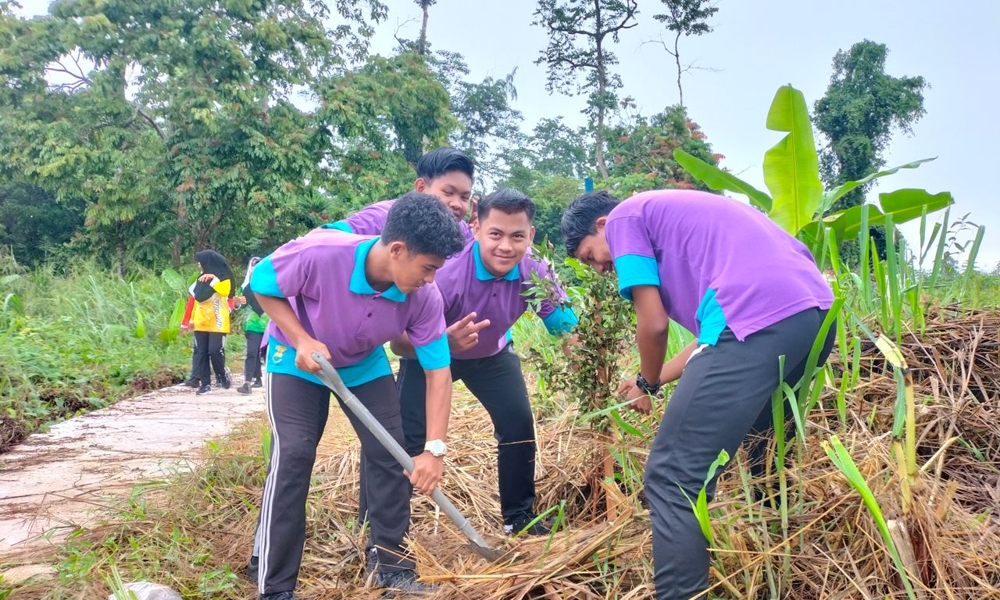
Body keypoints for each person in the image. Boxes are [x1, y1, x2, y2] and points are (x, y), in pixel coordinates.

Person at [560, 189, 836, 600]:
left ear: (601, 225)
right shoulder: (686, 223)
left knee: (672, 476)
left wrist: (646, 382)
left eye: (589, 256)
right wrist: (650, 380)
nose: (600, 268)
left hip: (755, 317)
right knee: (764, 451)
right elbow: (713, 339)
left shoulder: (622, 219)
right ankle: (781, 574)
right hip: (811, 317)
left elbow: (654, 324)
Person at [246, 192, 467, 600]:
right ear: (397, 249)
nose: (431, 280)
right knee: (294, 454)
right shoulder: (321, 253)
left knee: (391, 455)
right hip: (295, 359)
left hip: (363, 363)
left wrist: (434, 450)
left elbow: (438, 372)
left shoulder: (424, 298)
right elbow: (260, 283)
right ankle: (274, 586)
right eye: (428, 268)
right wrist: (301, 338)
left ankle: (392, 569)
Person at [391, 189, 578, 536]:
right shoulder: (445, 273)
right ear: (476, 228)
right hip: (430, 355)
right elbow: (399, 342)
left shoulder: (535, 269)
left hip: (493, 356)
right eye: (495, 234)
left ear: (530, 235)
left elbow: (567, 332)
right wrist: (444, 342)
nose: (505, 246)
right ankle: (384, 527)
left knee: (518, 425)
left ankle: (518, 518)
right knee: (403, 437)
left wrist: (593, 378)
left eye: (517, 236)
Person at [320, 146, 476, 240]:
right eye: (448, 192)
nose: (457, 204)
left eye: (464, 197)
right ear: (421, 187)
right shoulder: (382, 217)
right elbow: (323, 237)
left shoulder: (461, 230)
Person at [181, 249, 234, 395]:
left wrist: (214, 279)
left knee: (215, 351)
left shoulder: (224, 279)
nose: (199, 264)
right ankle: (205, 384)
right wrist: (190, 320)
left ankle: (221, 374)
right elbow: (196, 300)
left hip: (218, 322)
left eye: (201, 262)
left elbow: (225, 292)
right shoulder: (200, 280)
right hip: (201, 321)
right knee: (202, 352)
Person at [235, 257, 269, 394]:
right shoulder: (246, 288)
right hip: (253, 325)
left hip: (270, 326)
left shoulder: (271, 285)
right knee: (251, 353)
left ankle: (269, 381)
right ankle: (248, 383)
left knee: (267, 355)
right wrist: (237, 302)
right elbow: (239, 305)